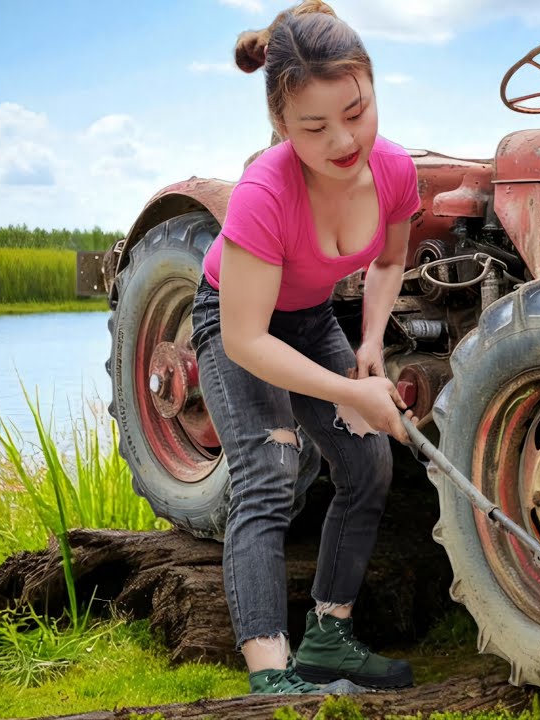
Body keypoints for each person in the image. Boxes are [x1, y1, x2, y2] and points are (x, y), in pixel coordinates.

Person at [190, 0, 418, 695]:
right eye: (316, 127)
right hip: (236, 326)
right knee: (269, 472)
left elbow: (386, 264)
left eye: (357, 111)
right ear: (282, 125)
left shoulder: (396, 172)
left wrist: (372, 344)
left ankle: (329, 639)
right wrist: (350, 392)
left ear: (373, 87)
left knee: (366, 463)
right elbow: (246, 338)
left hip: (309, 317)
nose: (345, 139)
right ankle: (269, 679)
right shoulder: (264, 193)